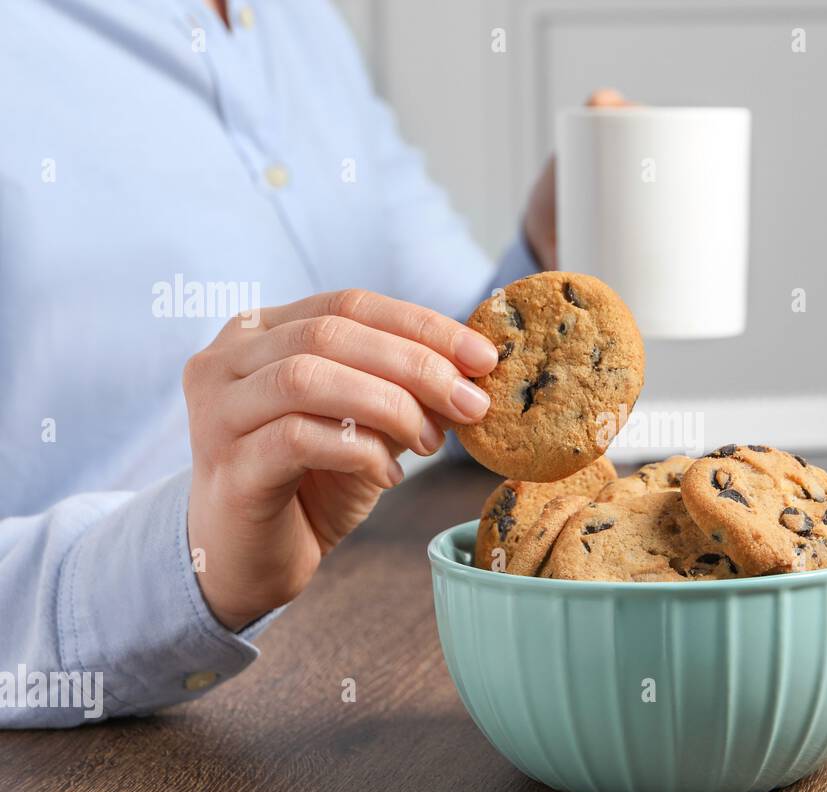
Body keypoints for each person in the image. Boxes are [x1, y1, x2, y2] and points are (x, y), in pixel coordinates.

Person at [0, 0, 622, 727]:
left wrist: (538, 255)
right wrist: (194, 558)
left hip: (369, 653)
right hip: (79, 772)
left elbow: (451, 374)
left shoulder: (299, 19)